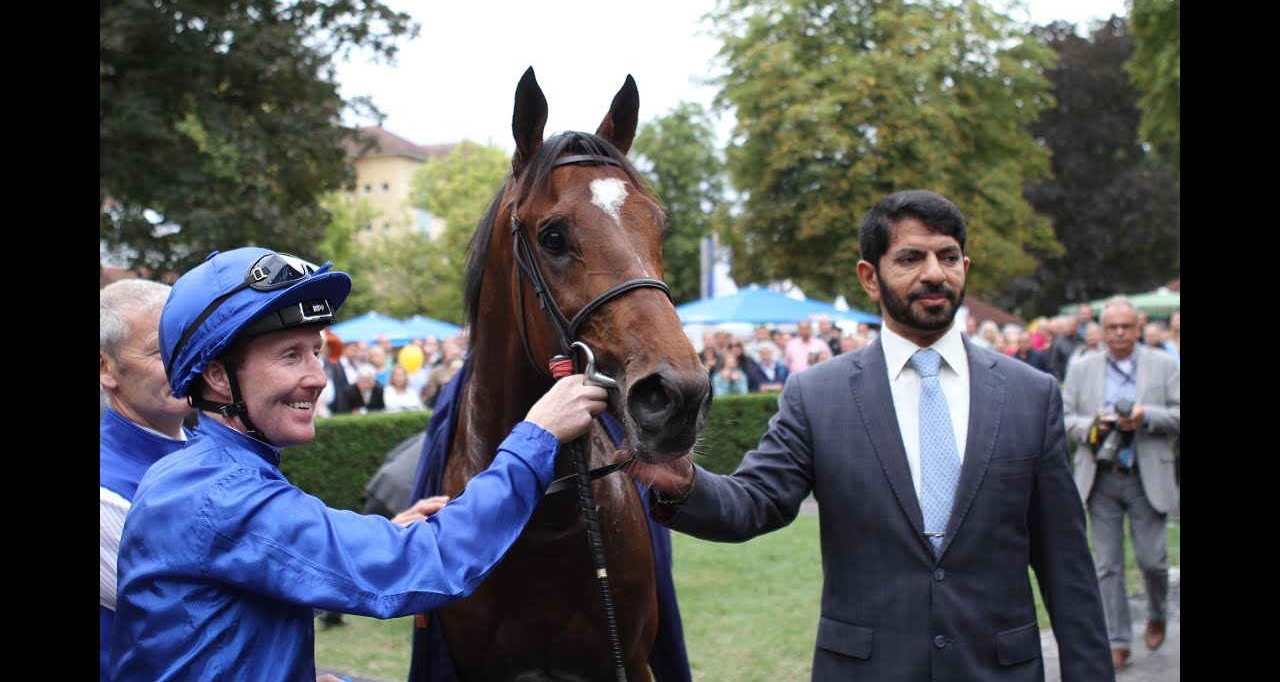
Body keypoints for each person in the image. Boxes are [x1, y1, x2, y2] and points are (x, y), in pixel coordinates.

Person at [621, 190, 1112, 680]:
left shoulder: (1031, 394)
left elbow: (1067, 566)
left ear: (966, 264)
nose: (935, 273)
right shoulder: (817, 396)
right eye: (910, 258)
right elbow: (756, 500)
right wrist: (685, 484)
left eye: (947, 256)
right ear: (869, 277)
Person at [110, 247, 608, 680]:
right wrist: (536, 436)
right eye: (290, 355)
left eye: (315, 353)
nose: (317, 378)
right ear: (218, 377)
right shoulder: (219, 493)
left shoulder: (208, 472)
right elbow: (419, 566)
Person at [1062, 294, 1180, 671]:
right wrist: (1094, 426)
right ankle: (1117, 639)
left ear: (1138, 327)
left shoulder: (1164, 365)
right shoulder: (1082, 367)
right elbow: (1064, 418)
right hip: (1101, 474)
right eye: (1111, 326)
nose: (1118, 333)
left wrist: (1147, 416)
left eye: (1126, 326)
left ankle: (1158, 612)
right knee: (1107, 565)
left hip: (1148, 474)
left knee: (1153, 561)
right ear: (1101, 327)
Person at [99, 279, 195, 682]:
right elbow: (201, 615)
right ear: (106, 368)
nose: (185, 362)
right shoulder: (105, 487)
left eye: (187, 343)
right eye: (160, 352)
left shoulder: (211, 450)